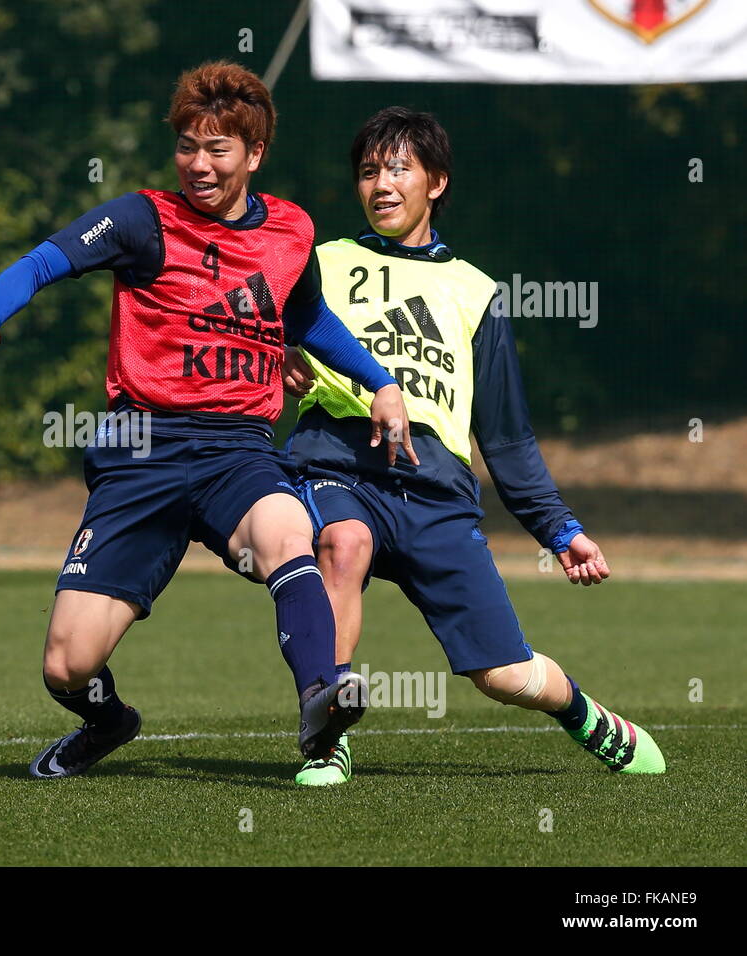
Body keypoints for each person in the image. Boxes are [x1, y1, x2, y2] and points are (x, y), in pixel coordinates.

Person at [0, 62, 416, 781]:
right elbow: (41, 263)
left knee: (291, 533)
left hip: (238, 449)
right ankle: (108, 721)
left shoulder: (291, 230)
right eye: (187, 147)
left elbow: (307, 317)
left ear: (254, 155)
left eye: (217, 149)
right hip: (142, 451)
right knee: (67, 665)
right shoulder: (141, 219)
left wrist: (380, 382)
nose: (198, 164)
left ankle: (320, 700)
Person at [282, 106, 665, 786]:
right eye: (369, 171)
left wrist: (560, 529)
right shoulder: (321, 263)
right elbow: (248, 319)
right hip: (337, 461)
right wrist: (275, 350)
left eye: (399, 168)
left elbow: (507, 437)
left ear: (437, 182)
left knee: (503, 675)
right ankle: (327, 735)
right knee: (343, 543)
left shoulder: (477, 292)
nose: (382, 184)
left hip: (437, 493)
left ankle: (588, 717)